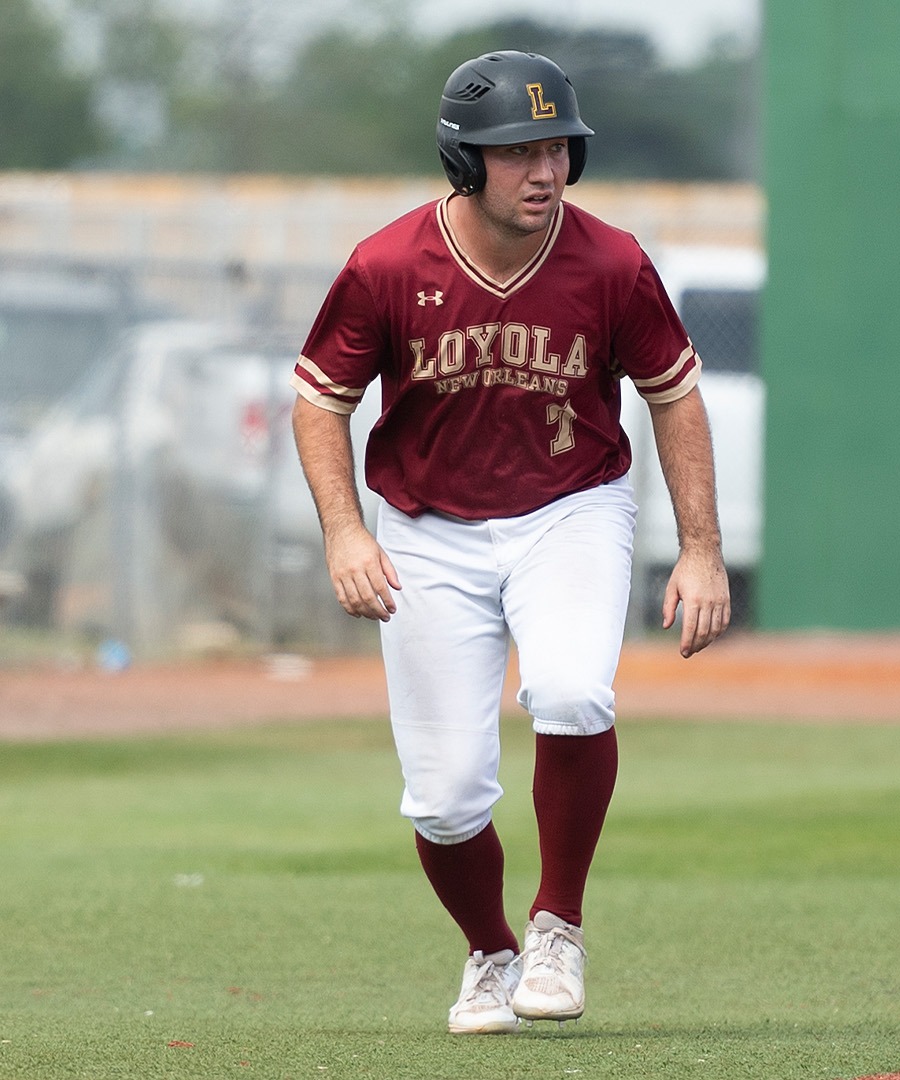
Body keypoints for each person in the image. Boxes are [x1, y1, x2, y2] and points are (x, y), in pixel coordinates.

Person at [289, 50, 730, 1034]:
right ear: (463, 159)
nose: (544, 171)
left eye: (558, 149)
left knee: (572, 689)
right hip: (426, 526)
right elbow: (320, 401)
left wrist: (700, 547)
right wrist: (345, 533)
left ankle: (556, 926)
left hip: (570, 507)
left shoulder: (612, 263)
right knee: (444, 801)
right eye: (516, 151)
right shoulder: (389, 264)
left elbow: (674, 395)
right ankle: (489, 953)